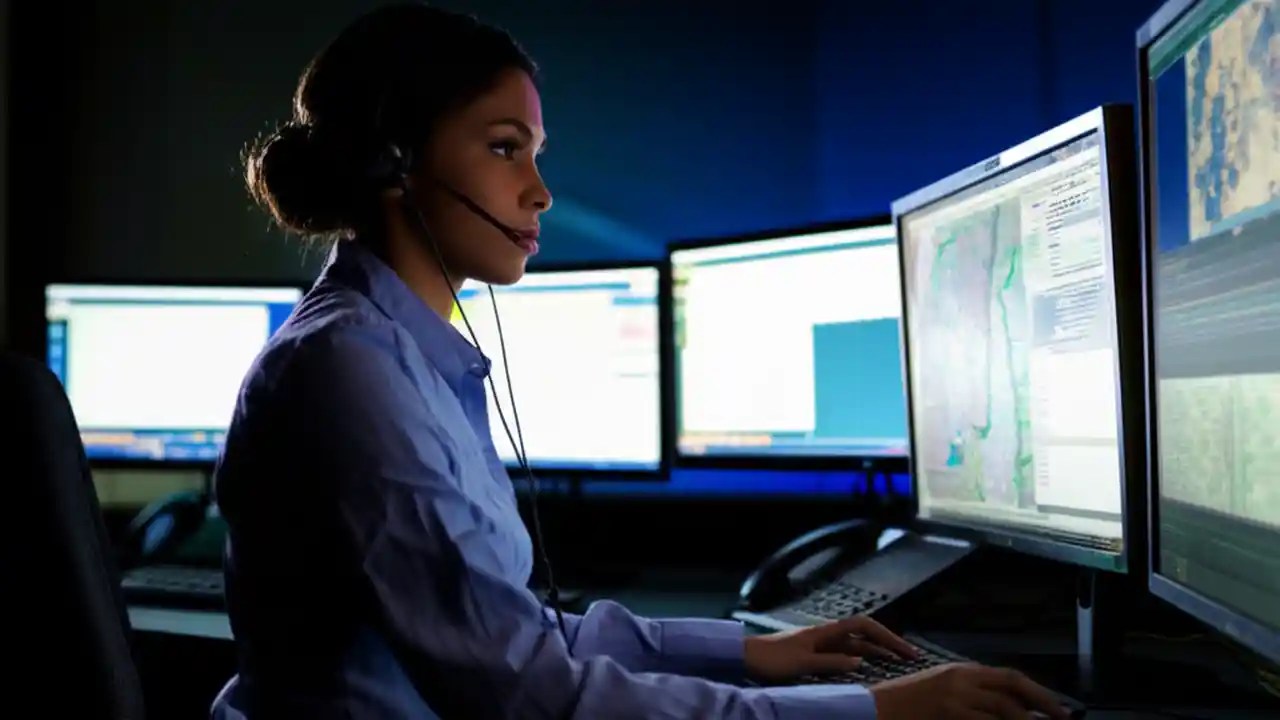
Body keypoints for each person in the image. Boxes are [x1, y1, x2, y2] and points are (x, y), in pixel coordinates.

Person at [212, 3, 1070, 719]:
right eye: (506, 148)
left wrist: (753, 652)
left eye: (536, 154)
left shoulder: (397, 353)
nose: (540, 191)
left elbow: (517, 636)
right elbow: (531, 692)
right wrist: (876, 711)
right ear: (394, 160)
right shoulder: (350, 372)